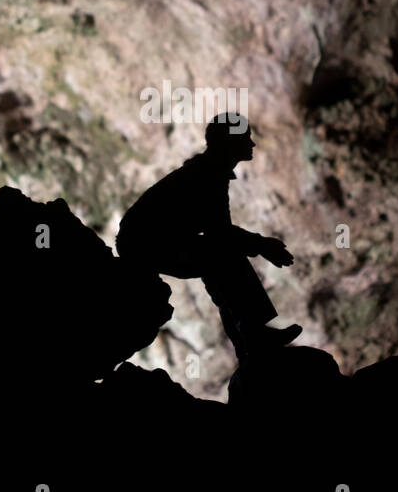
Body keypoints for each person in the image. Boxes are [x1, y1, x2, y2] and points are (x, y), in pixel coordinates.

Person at [116, 114, 302, 359]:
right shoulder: (208, 176)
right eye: (246, 138)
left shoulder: (208, 171)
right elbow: (221, 233)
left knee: (219, 263)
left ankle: (250, 338)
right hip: (146, 246)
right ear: (229, 144)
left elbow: (219, 232)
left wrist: (261, 245)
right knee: (225, 256)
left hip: (144, 243)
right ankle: (253, 336)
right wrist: (262, 245)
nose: (252, 144)